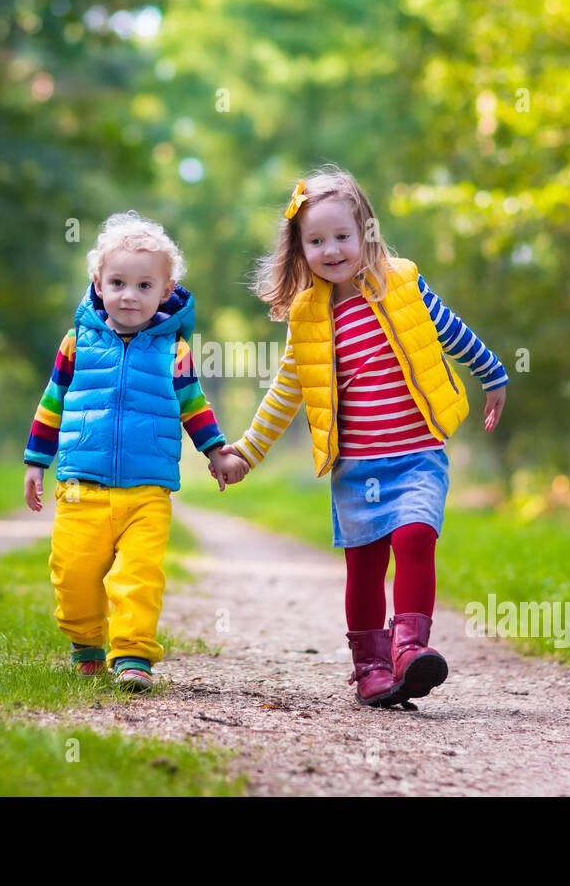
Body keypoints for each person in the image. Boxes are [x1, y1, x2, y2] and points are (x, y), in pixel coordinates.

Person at [211, 167, 508, 708]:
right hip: (357, 467)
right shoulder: (308, 319)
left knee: (417, 536)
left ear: (366, 232)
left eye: (342, 236)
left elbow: (449, 329)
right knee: (364, 566)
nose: (331, 249)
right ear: (300, 250)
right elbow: (285, 394)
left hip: (418, 454)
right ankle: (370, 666)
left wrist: (492, 374)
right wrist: (245, 454)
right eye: (316, 241)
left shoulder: (401, 286)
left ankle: (409, 648)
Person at [23, 211, 249, 691]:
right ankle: (86, 644)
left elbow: (194, 406)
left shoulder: (175, 351)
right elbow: (51, 402)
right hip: (81, 486)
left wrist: (217, 454)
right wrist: (35, 461)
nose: (130, 295)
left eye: (145, 286)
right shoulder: (76, 343)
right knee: (74, 575)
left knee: (138, 576)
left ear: (165, 292)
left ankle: (131, 656)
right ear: (98, 284)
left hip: (147, 492)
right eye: (119, 282)